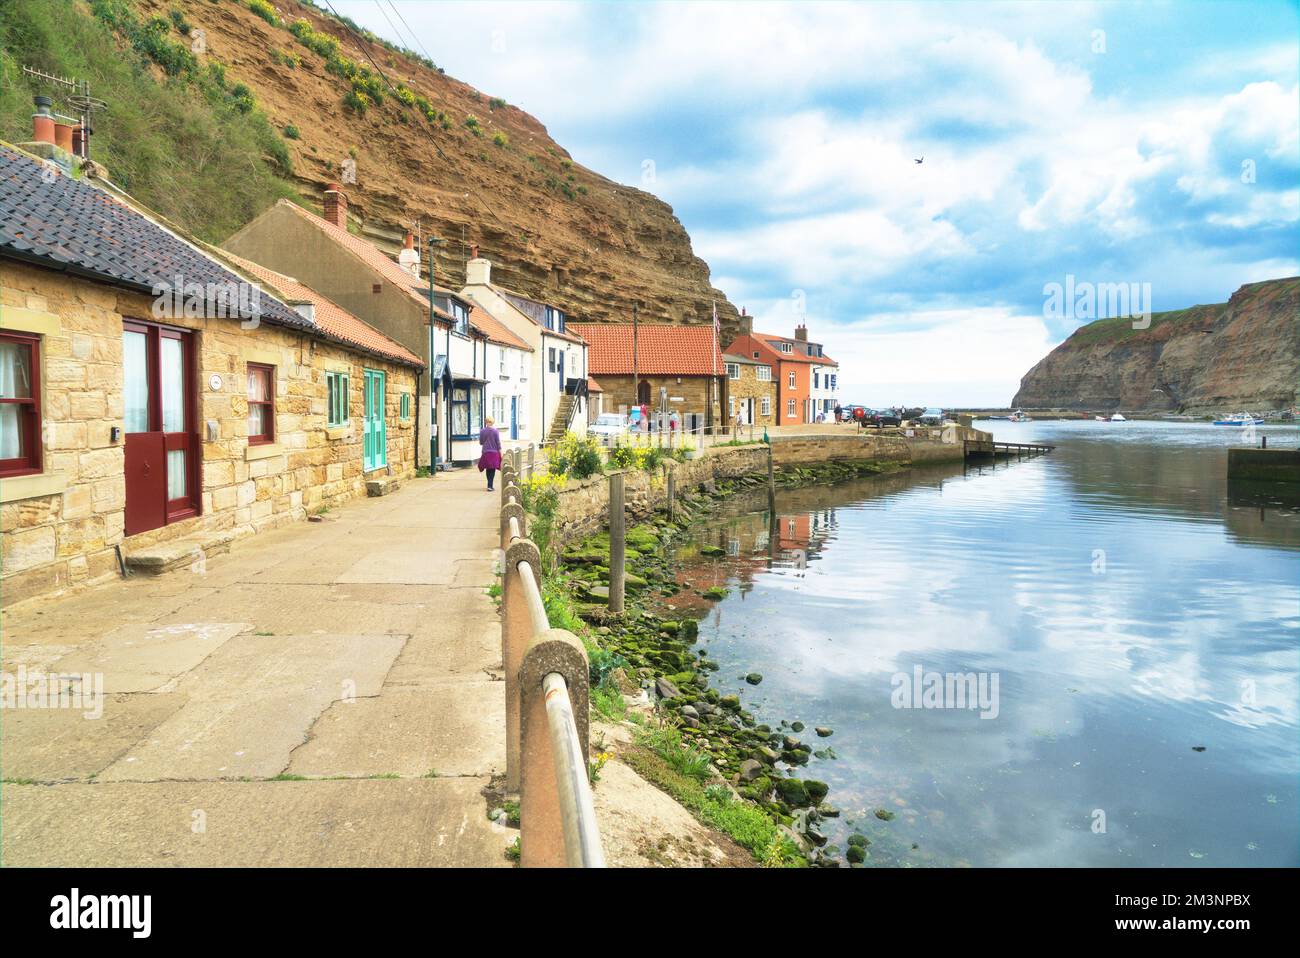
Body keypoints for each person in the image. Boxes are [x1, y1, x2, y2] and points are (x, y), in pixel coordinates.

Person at [478, 417, 502, 492]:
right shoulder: (496, 431)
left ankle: (489, 484)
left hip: (485, 452)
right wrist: (501, 452)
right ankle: (490, 486)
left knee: (488, 469)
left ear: (486, 422)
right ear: (493, 422)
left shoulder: (482, 431)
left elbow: (481, 442)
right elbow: (498, 443)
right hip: (494, 452)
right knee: (492, 469)